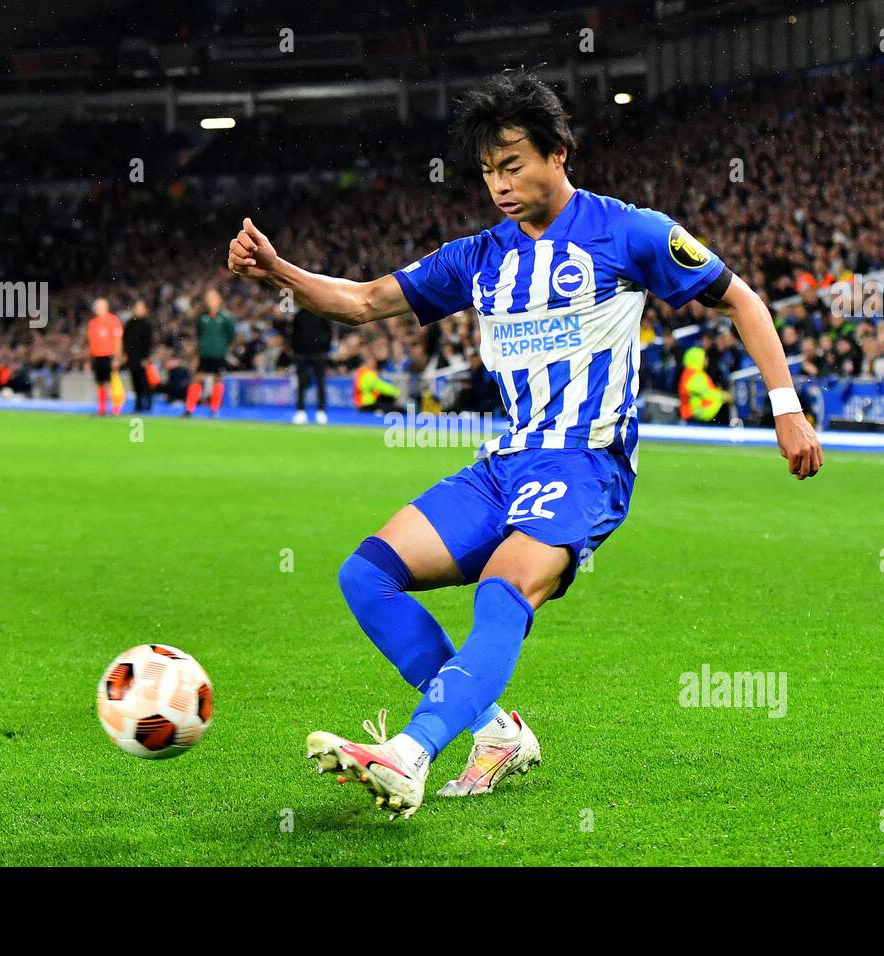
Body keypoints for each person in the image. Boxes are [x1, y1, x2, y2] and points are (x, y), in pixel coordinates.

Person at [227, 70, 822, 819]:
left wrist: (786, 409)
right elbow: (362, 301)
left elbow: (740, 297)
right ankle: (494, 731)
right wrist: (277, 270)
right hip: (505, 463)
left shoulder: (629, 231)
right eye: (486, 172)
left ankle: (409, 755)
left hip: (584, 460)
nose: (499, 185)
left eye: (512, 165)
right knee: (366, 575)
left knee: (502, 587)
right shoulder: (478, 257)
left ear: (558, 154)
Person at [185, 288, 234, 417]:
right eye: (208, 298)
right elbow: (199, 335)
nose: (210, 301)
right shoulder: (202, 318)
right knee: (197, 378)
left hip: (218, 354)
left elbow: (231, 336)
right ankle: (189, 409)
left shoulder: (225, 318)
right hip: (204, 354)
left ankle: (214, 409)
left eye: (213, 298)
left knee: (217, 379)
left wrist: (221, 347)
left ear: (219, 300)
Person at [290, 306, 331, 424]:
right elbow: (293, 334)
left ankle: (321, 411)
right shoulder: (299, 315)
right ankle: (300, 411)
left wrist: (324, 349)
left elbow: (328, 333)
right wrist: (296, 351)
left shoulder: (321, 314)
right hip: (301, 354)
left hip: (318, 354)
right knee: (301, 383)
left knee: (320, 383)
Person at [86, 298, 122, 417]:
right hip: (97, 356)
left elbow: (118, 340)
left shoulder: (113, 321)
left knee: (111, 383)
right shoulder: (93, 323)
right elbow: (91, 342)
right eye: (96, 307)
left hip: (109, 356)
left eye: (100, 306)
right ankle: (102, 409)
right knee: (100, 383)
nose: (97, 309)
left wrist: (117, 358)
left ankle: (115, 409)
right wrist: (89, 359)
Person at [678, 346, 729, 425]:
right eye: (705, 358)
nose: (707, 360)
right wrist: (723, 396)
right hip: (695, 417)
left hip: (692, 416)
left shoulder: (689, 374)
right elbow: (705, 393)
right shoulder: (695, 376)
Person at [122, 300, 155, 413]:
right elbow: (125, 341)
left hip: (142, 357)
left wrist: (146, 358)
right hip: (132, 357)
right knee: (135, 381)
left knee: (144, 381)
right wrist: (124, 354)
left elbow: (149, 343)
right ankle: (138, 403)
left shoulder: (147, 324)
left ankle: (148, 402)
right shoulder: (129, 324)